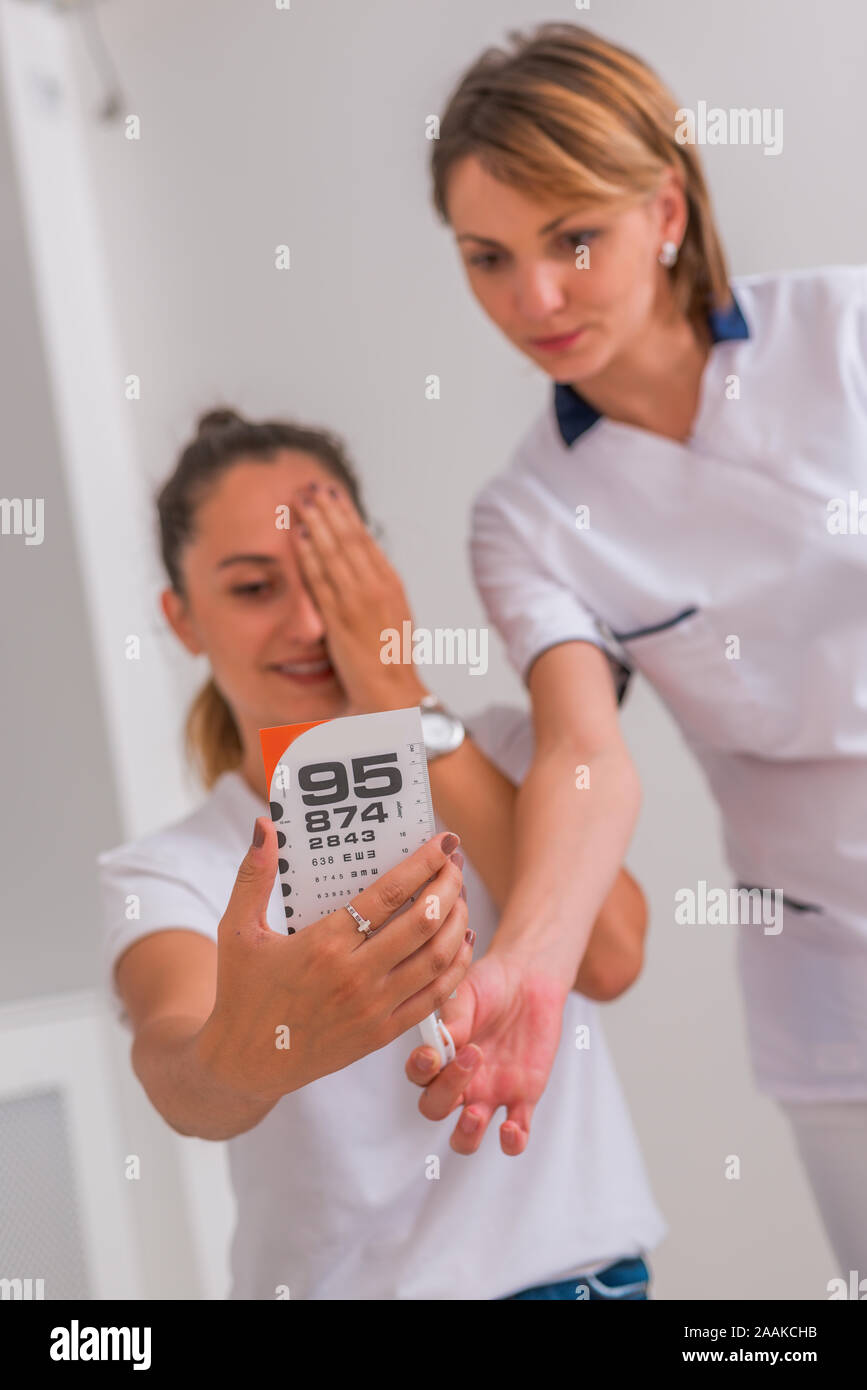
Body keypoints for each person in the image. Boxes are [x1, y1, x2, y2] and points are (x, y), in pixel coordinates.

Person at [415, 20, 867, 1275]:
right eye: (487, 258)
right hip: (837, 984)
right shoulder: (528, 516)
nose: (534, 299)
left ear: (665, 209)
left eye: (574, 241)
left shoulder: (845, 338)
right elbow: (583, 752)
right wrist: (532, 963)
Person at [97, 407, 666, 1300]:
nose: (310, 622)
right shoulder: (171, 869)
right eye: (253, 589)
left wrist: (403, 699)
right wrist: (256, 1047)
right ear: (182, 620)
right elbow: (182, 1078)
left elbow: (610, 954)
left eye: (331, 571)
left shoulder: (506, 754)